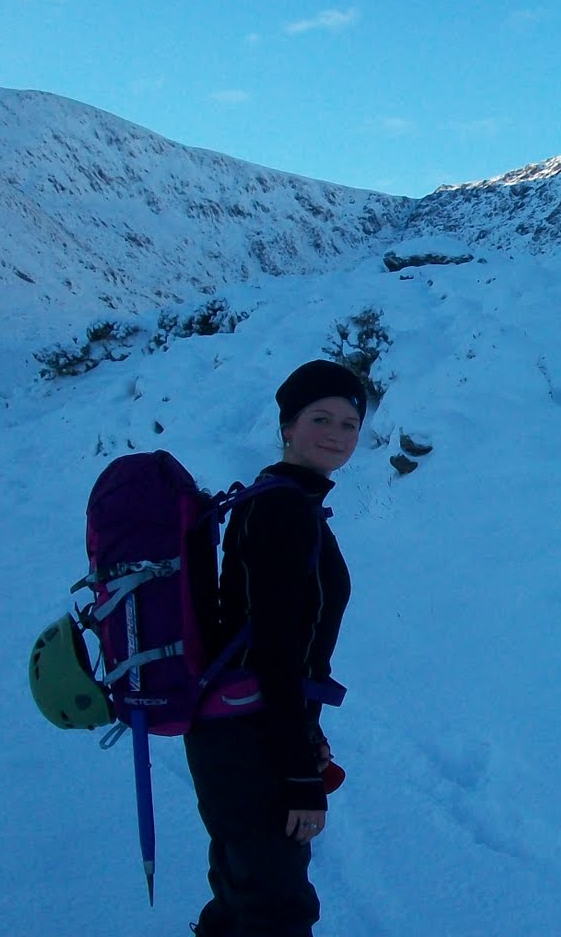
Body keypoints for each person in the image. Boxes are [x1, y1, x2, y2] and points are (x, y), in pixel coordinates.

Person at [184, 359, 364, 937]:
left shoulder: (272, 497)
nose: (337, 434)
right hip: (252, 739)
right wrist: (299, 776)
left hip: (235, 730)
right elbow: (277, 653)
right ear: (287, 425)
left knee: (244, 892)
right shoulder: (285, 510)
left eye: (350, 423)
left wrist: (305, 733)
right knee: (276, 910)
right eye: (321, 418)